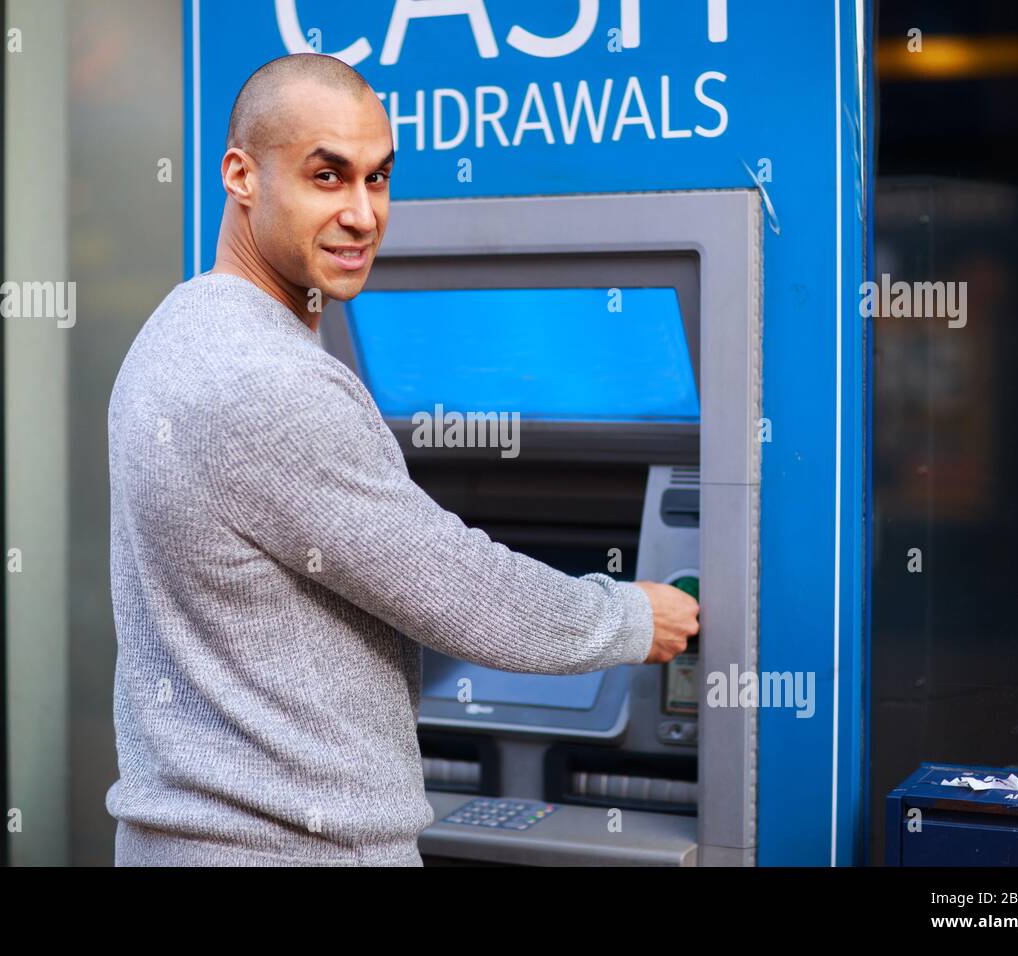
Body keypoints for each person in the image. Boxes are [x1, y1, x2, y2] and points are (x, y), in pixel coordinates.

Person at [105, 52, 699, 866]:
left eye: (378, 179)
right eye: (327, 177)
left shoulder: (174, 333)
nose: (362, 214)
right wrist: (637, 617)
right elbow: (460, 591)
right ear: (241, 176)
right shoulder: (269, 384)